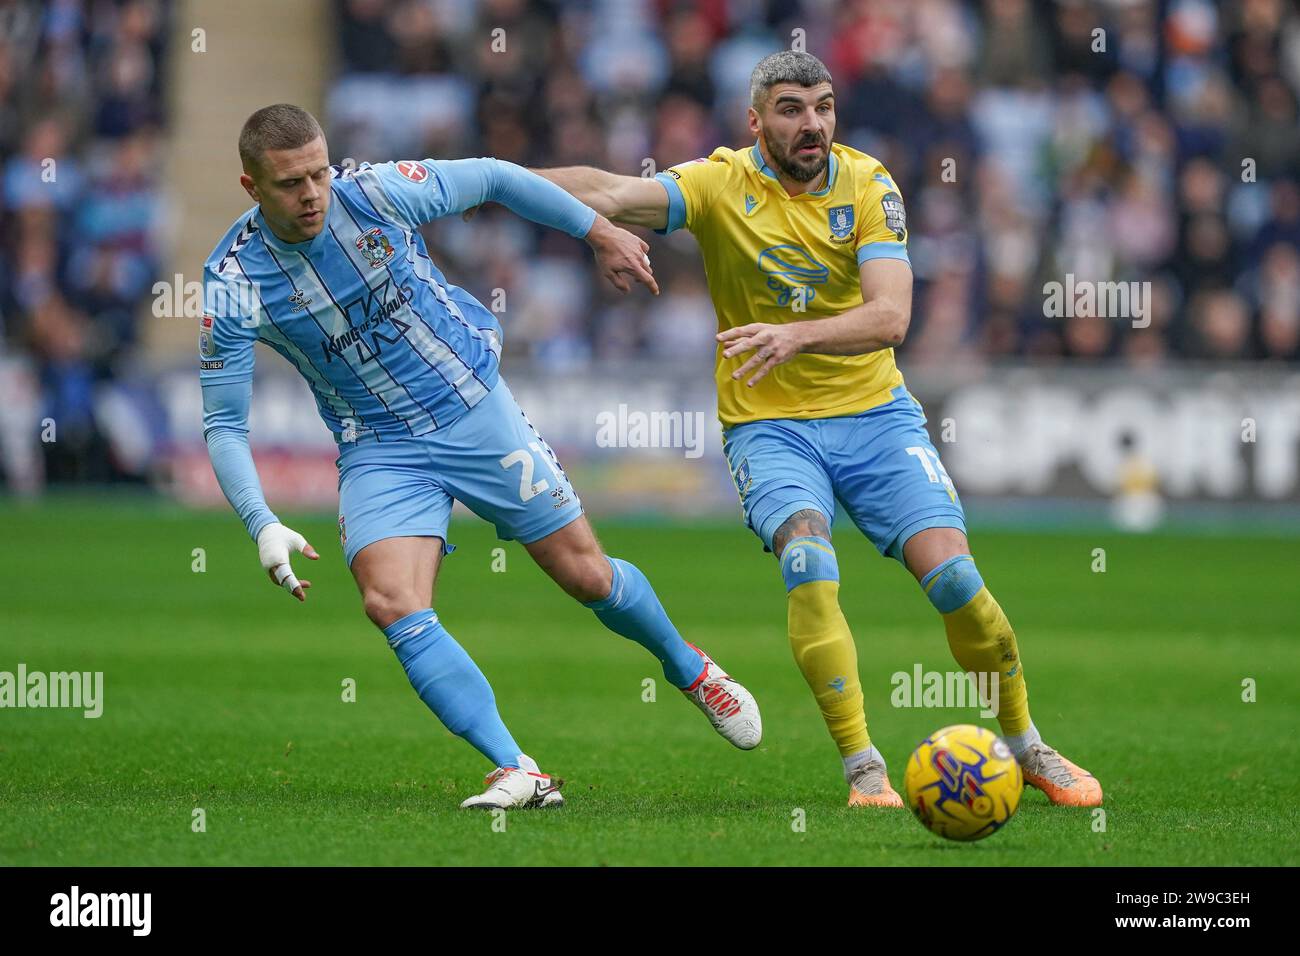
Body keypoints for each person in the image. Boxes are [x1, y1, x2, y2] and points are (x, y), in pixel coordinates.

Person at [534, 52, 1102, 808]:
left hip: (875, 416)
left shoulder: (869, 183)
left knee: (959, 581)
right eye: (793, 109)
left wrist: (795, 335)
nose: (813, 125)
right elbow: (606, 189)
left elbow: (893, 316)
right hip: (769, 425)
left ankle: (1026, 743)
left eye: (824, 107)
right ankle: (863, 766)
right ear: (756, 120)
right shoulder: (716, 183)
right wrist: (483, 182)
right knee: (807, 560)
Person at [199, 104, 762, 811]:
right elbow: (223, 422)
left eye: (318, 172)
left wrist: (599, 231)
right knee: (390, 601)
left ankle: (691, 669)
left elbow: (496, 176)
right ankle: (516, 768)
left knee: (585, 574)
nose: (313, 194)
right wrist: (261, 521)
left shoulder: (375, 192)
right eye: (291, 184)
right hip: (379, 447)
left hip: (471, 406)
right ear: (252, 188)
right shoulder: (231, 280)